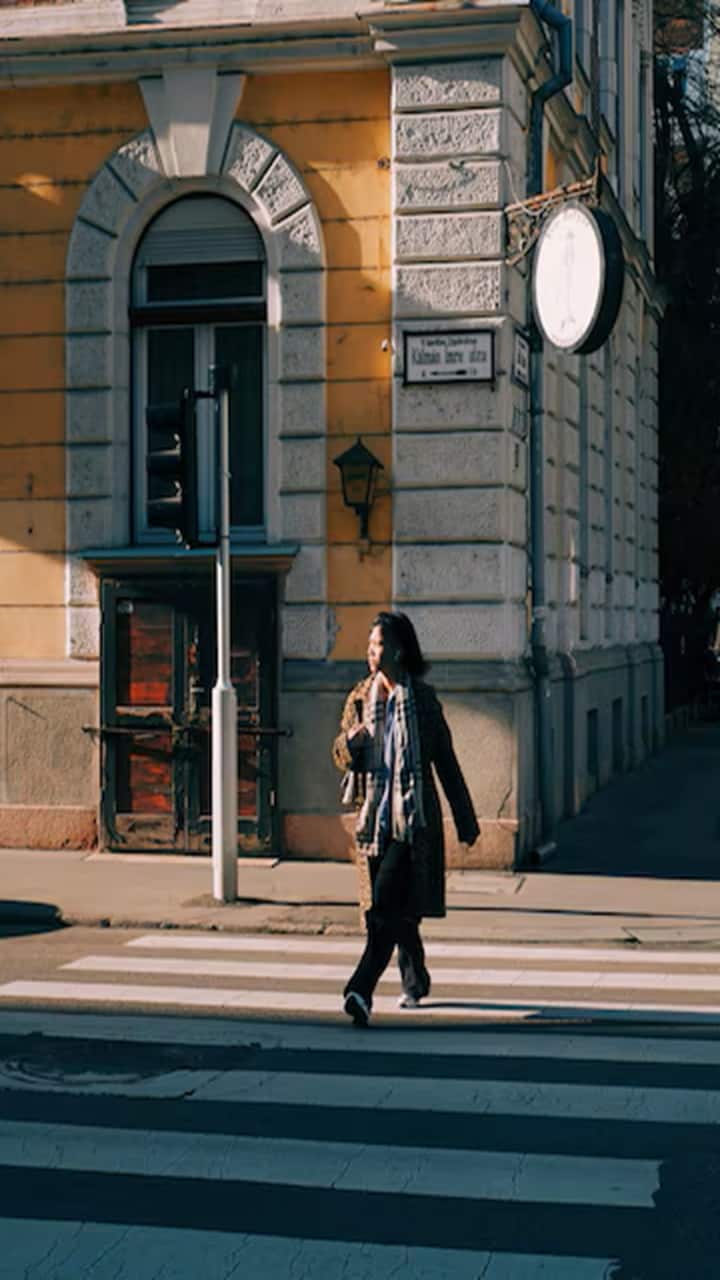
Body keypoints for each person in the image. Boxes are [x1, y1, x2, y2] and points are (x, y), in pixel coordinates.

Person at [332, 611, 480, 1027]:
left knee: (384, 908)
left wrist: (466, 822)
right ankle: (415, 979)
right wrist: (351, 741)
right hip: (372, 821)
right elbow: (338, 755)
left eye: (377, 644)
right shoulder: (359, 698)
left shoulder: (425, 702)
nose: (370, 652)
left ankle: (359, 990)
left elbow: (446, 763)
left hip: (412, 822)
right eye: (368, 644)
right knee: (396, 911)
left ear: (398, 650)